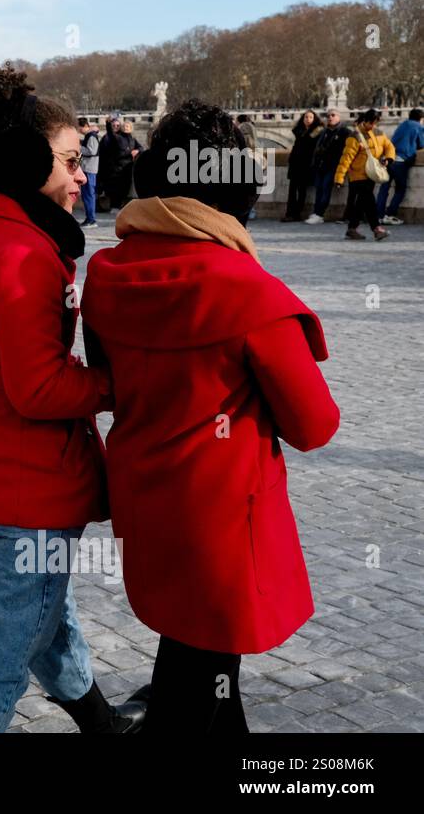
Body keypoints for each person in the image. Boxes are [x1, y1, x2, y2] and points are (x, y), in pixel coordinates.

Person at [82, 99, 340, 732]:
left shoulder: (106, 274)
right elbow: (314, 426)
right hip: (223, 521)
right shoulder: (248, 290)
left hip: (145, 498)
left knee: (188, 656)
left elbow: (109, 380)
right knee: (215, 693)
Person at [0, 64, 144, 734]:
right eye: (72, 161)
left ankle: (100, 723)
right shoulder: (26, 253)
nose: (83, 176)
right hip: (28, 492)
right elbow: (41, 387)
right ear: (30, 161)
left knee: (43, 618)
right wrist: (120, 384)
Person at [333, 108, 393, 241]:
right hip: (357, 175)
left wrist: (388, 158)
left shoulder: (379, 133)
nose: (373, 126)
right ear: (364, 121)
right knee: (370, 201)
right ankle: (377, 229)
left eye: (375, 123)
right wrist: (339, 178)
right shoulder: (354, 137)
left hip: (371, 174)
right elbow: (346, 158)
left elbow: (389, 146)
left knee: (361, 203)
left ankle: (352, 229)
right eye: (371, 123)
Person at [380, 107, 423, 225]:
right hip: (402, 160)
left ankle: (379, 215)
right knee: (400, 189)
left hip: (390, 158)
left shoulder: (402, 124)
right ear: (421, 118)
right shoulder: (418, 127)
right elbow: (421, 144)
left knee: (384, 188)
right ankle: (389, 214)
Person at [307, 109, 349, 224]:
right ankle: (316, 212)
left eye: (333, 115)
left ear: (339, 117)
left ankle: (320, 214)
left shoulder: (345, 131)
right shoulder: (323, 130)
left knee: (326, 188)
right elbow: (310, 137)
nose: (330, 117)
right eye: (328, 116)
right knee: (319, 189)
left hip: (333, 166)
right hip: (321, 165)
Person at [282, 110, 323, 222]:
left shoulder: (317, 131)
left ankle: (296, 213)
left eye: (310, 117)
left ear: (314, 119)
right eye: (306, 117)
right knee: (292, 190)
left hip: (307, 164)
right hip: (295, 163)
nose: (308, 119)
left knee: (301, 190)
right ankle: (289, 213)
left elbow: (310, 143)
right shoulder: (299, 130)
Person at [97, 113, 136, 210]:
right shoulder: (114, 137)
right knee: (113, 189)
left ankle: (118, 206)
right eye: (114, 125)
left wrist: (137, 150)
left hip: (125, 168)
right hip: (112, 168)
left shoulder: (130, 138)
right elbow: (103, 152)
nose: (116, 127)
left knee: (123, 189)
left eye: (118, 125)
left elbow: (140, 147)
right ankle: (113, 206)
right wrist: (107, 123)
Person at [77, 117, 99, 227]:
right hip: (88, 168)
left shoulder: (91, 136)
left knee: (89, 194)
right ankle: (89, 218)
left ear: (85, 126)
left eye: (79, 128)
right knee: (87, 195)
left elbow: (92, 151)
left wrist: (79, 147)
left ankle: (91, 220)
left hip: (89, 169)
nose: (79, 131)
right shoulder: (90, 136)